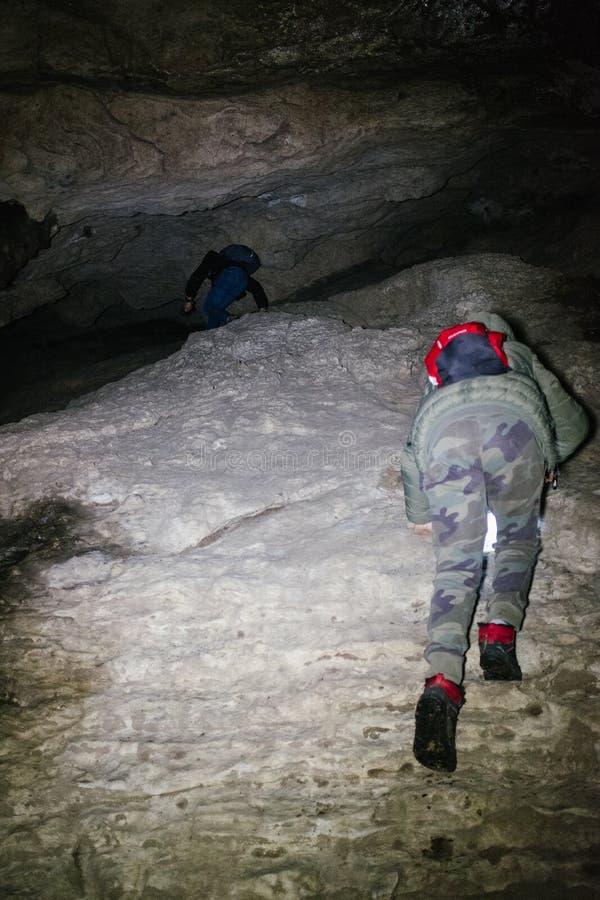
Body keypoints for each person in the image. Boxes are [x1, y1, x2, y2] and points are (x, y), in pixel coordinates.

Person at [401, 312, 588, 772]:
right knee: (517, 540)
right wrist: (545, 457)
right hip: (516, 433)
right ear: (500, 340)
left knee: (456, 566)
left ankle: (442, 682)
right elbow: (576, 424)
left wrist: (421, 515)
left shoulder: (443, 368)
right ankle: (500, 634)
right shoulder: (519, 356)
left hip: (445, 437)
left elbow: (413, 451)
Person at [183, 244, 268, 329]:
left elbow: (198, 275)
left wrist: (189, 298)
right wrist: (262, 307)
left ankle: (229, 318)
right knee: (216, 309)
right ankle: (211, 332)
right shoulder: (238, 267)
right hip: (242, 281)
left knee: (208, 307)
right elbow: (255, 287)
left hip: (229, 276)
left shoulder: (213, 258)